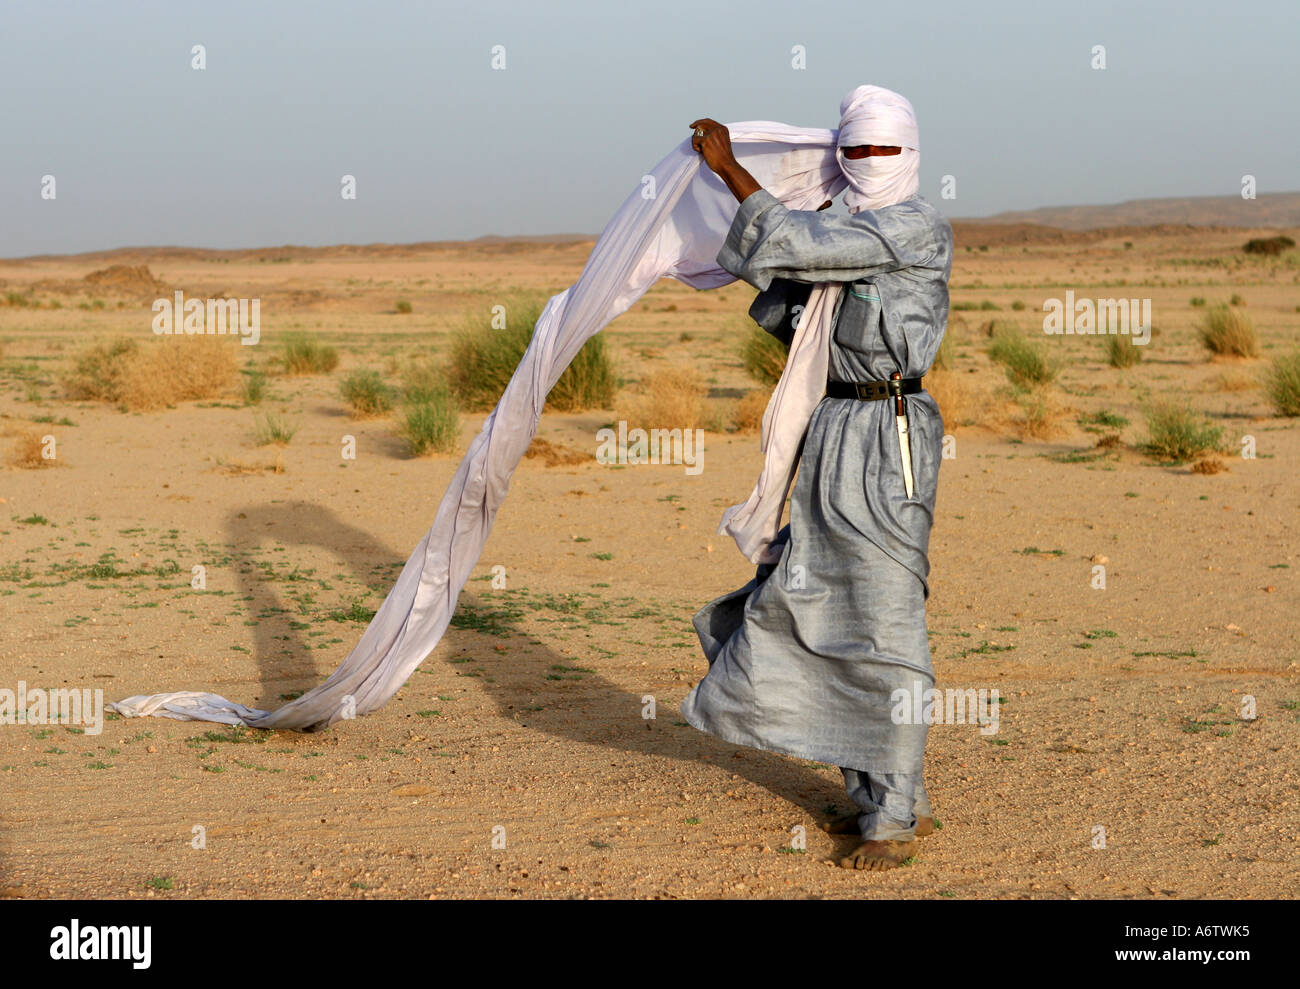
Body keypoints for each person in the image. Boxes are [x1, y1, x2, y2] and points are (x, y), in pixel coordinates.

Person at [680, 86, 953, 871]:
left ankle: (894, 816)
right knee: (808, 599)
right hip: (832, 429)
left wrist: (731, 172)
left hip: (888, 439)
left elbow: (798, 249)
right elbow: (795, 284)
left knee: (886, 618)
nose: (867, 165)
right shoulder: (848, 233)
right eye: (854, 151)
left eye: (882, 151)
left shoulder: (912, 227)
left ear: (911, 154)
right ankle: (882, 793)